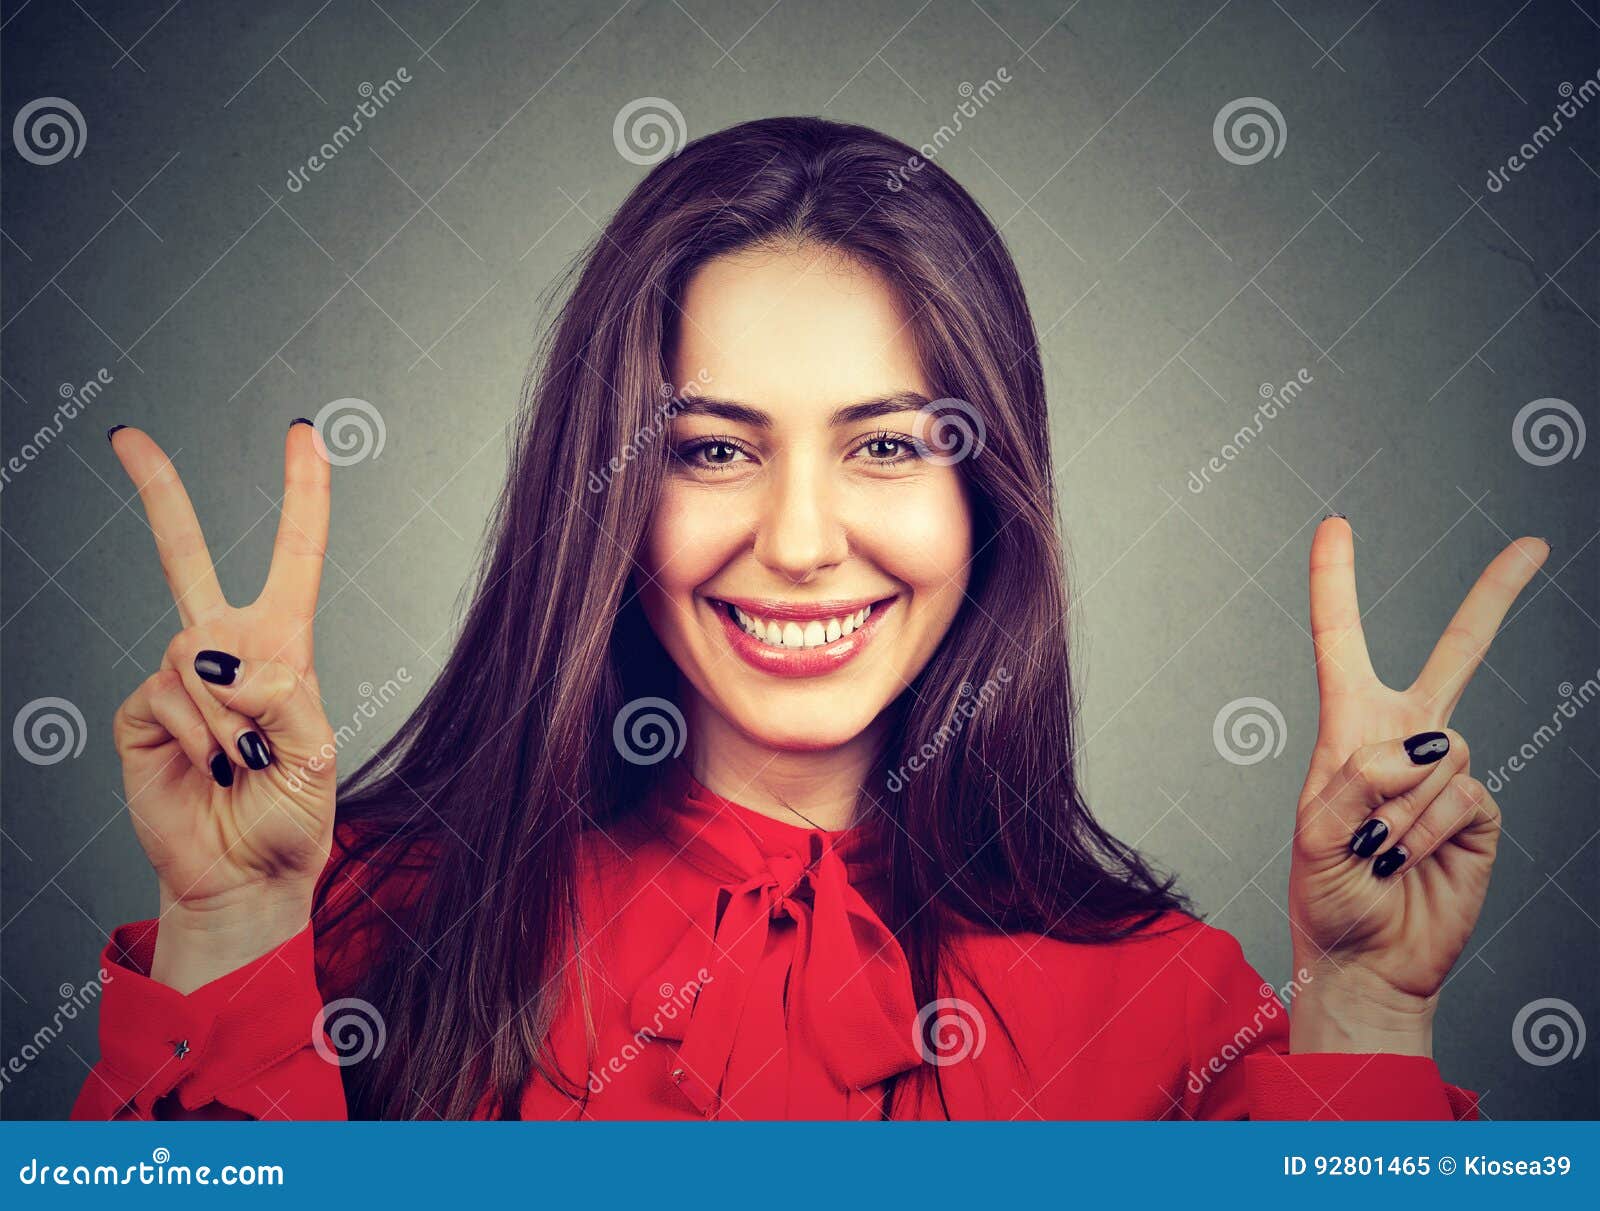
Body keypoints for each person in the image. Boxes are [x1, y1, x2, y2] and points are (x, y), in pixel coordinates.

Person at [73, 116, 1543, 1121]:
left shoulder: (1170, 1004)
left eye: (889, 445)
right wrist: (233, 924)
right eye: (711, 448)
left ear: (989, 497)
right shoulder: (369, 921)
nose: (795, 540)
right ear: (611, 494)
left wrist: (1359, 1012)